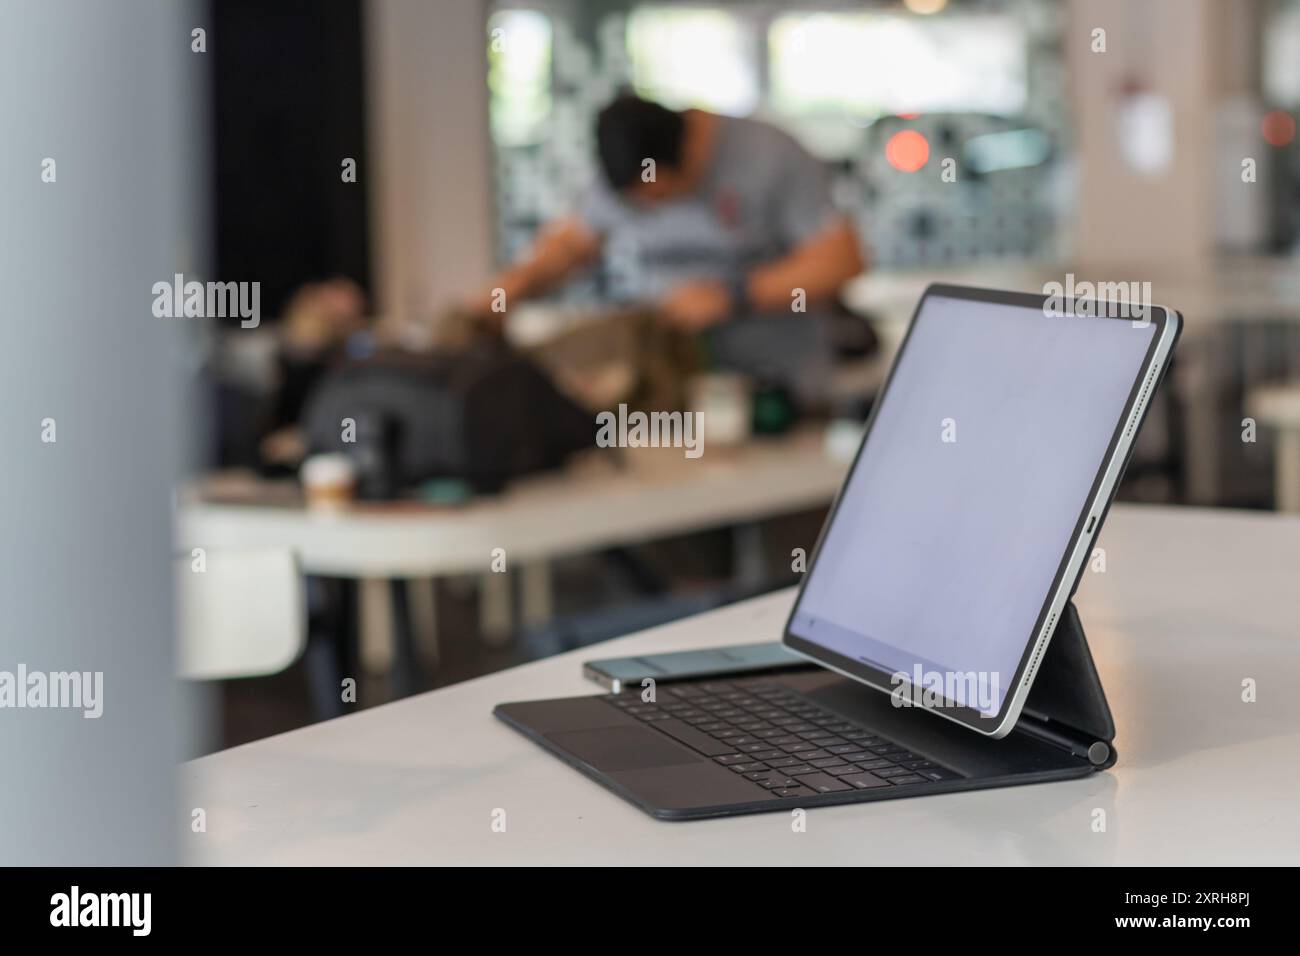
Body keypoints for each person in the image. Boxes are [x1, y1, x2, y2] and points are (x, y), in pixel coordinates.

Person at [464, 93, 868, 403]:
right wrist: (508, 290)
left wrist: (732, 296)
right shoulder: (628, 169)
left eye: (661, 195)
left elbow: (841, 260)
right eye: (641, 203)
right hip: (671, 391)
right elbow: (572, 243)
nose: (652, 209)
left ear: (690, 150)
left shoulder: (770, 155)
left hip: (778, 389)